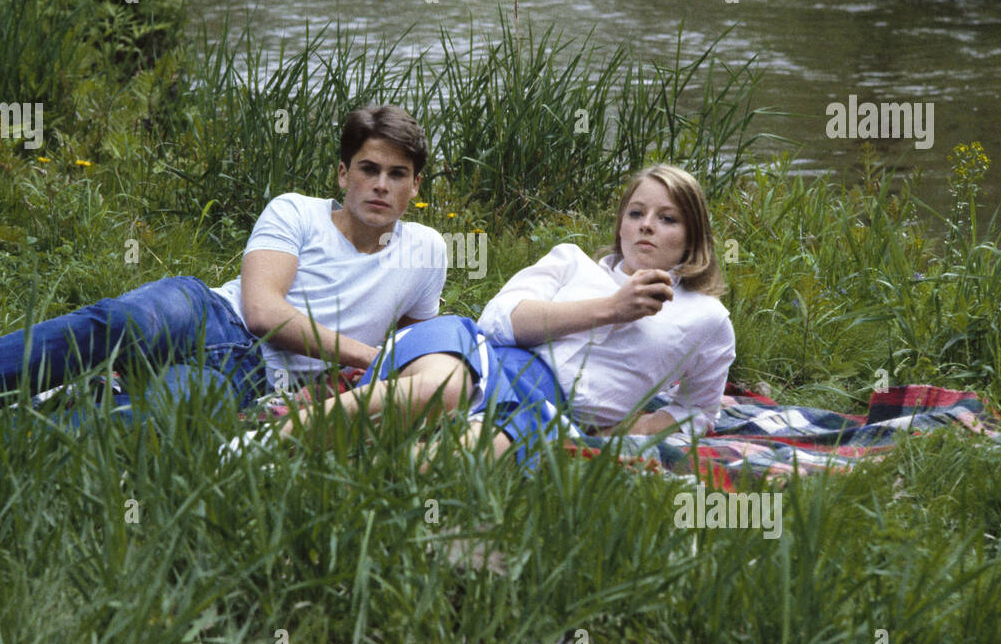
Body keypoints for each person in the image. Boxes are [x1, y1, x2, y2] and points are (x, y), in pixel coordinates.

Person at [0, 105, 448, 437]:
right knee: (117, 321)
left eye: (397, 174)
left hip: (257, 381)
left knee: (158, 418)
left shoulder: (425, 252)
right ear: (343, 173)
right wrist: (373, 358)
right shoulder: (295, 210)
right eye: (368, 169)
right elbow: (263, 312)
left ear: (415, 186)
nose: (380, 185)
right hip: (212, 316)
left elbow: (422, 346)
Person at [277, 164, 735, 469]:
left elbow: (699, 409)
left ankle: (333, 477)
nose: (646, 224)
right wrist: (611, 309)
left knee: (469, 454)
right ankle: (269, 443)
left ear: (693, 236)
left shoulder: (706, 319)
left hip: (546, 408)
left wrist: (636, 427)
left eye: (667, 218)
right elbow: (497, 322)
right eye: (636, 213)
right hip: (475, 355)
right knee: (446, 389)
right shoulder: (571, 262)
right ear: (621, 225)